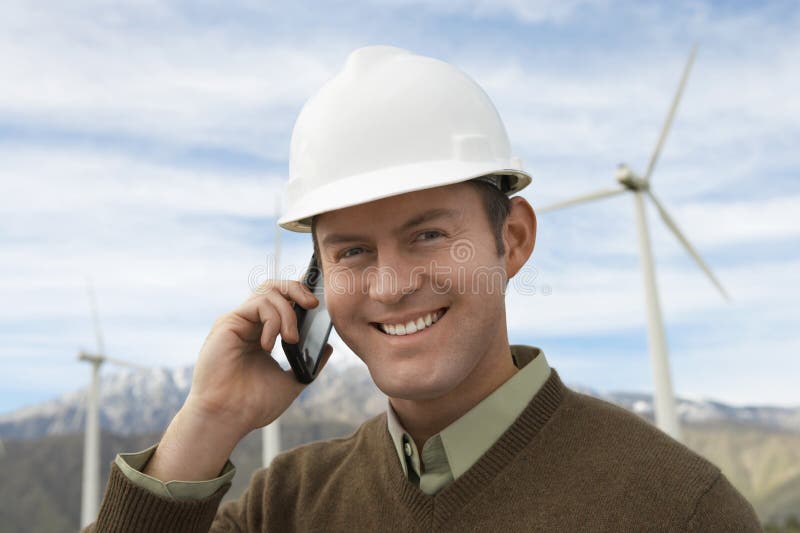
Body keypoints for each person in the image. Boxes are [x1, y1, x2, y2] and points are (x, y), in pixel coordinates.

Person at [84, 46, 761, 532]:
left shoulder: (677, 505)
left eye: (429, 235)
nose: (391, 283)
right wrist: (210, 418)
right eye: (350, 251)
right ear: (315, 279)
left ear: (514, 239)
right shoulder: (285, 505)